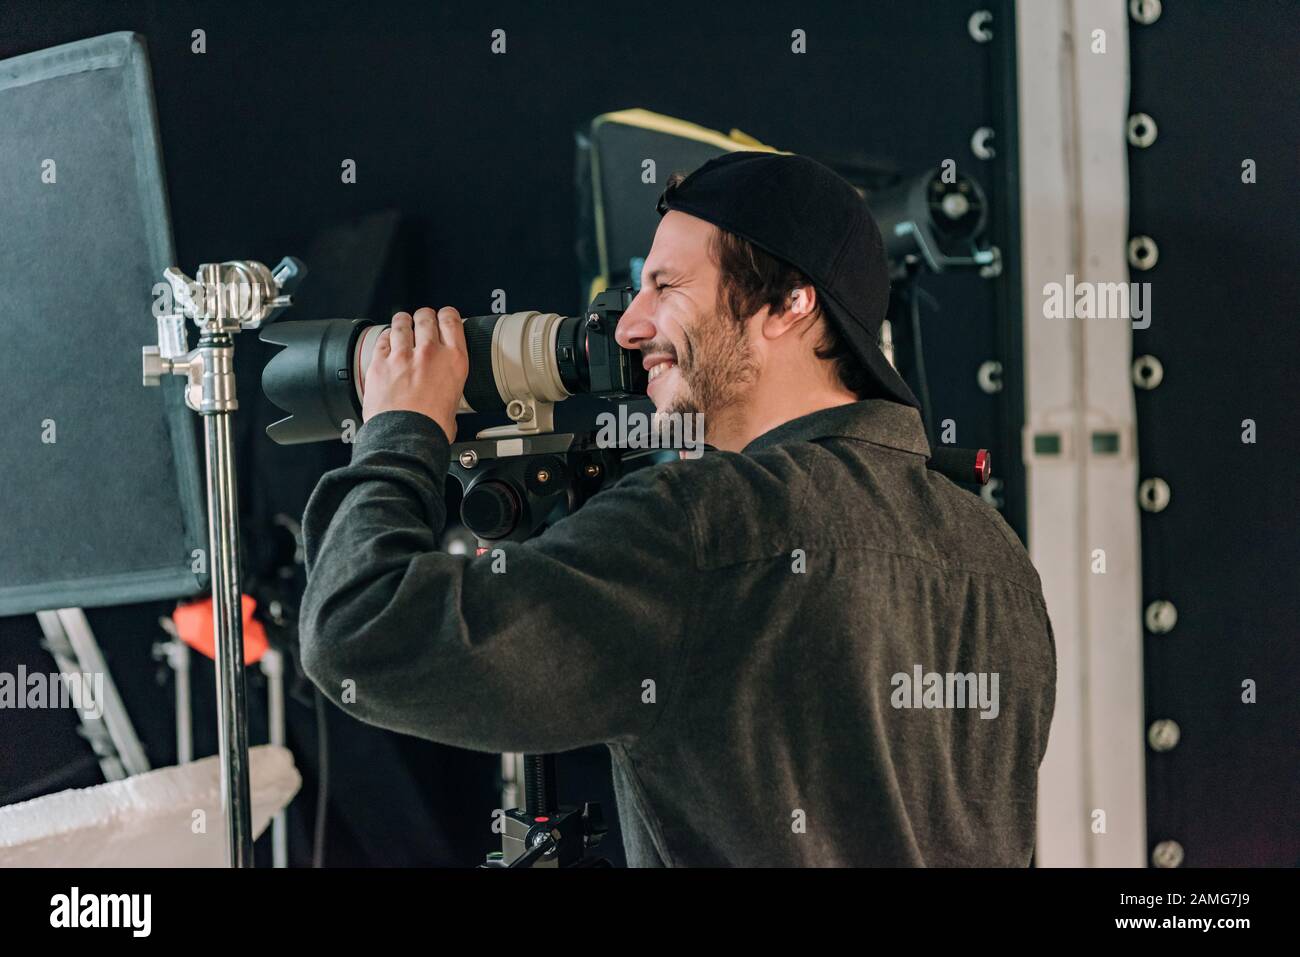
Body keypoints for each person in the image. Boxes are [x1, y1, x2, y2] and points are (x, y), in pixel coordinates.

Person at [298, 151, 1057, 866]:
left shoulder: (701, 523)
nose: (629, 325)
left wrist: (400, 433)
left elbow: (359, 632)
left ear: (789, 303)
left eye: (667, 286)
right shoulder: (997, 557)